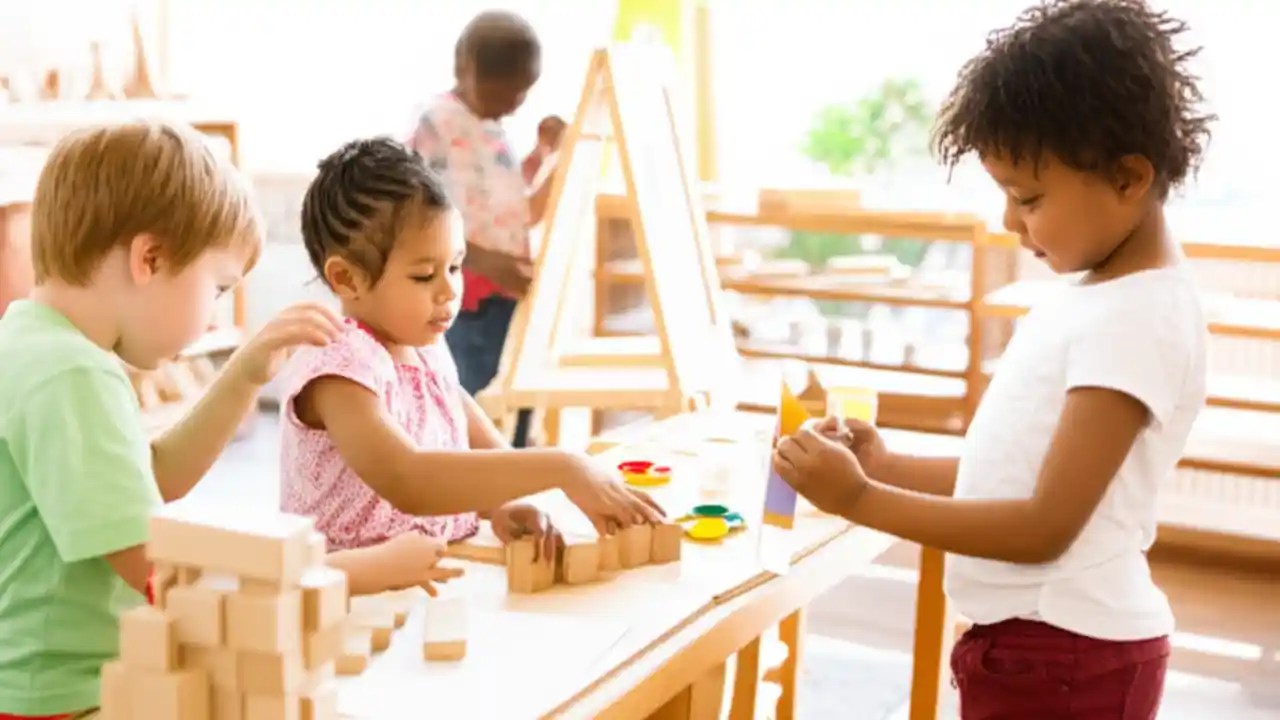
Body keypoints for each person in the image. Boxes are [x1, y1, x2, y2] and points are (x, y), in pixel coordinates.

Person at [771, 1, 1213, 718]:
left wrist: (858, 500)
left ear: (1131, 178)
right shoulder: (1100, 297)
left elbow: (1043, 528)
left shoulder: (1138, 316)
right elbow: (1007, 476)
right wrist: (886, 467)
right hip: (1042, 645)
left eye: (1028, 198)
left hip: (1069, 653)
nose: (1010, 221)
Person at [0, 120, 342, 719]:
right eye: (217, 288)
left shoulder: (31, 342)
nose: (214, 318)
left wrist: (242, 374)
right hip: (64, 695)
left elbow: (144, 480)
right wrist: (327, 576)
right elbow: (151, 564)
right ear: (149, 258)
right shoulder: (73, 373)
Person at [278, 137, 663, 594]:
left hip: (431, 578)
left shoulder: (421, 340)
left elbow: (450, 407)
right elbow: (410, 478)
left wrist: (501, 501)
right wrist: (563, 466)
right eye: (424, 275)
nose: (448, 292)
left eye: (456, 267)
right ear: (347, 278)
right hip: (348, 596)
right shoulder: (336, 366)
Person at [407, 10, 550, 447]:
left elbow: (511, 203)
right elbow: (415, 208)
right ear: (465, 68)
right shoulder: (435, 121)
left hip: (508, 291)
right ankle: (478, 488)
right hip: (469, 295)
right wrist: (485, 262)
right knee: (472, 399)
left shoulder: (494, 130)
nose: (515, 102)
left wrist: (547, 156)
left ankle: (515, 475)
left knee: (515, 394)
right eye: (507, 90)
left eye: (523, 92)